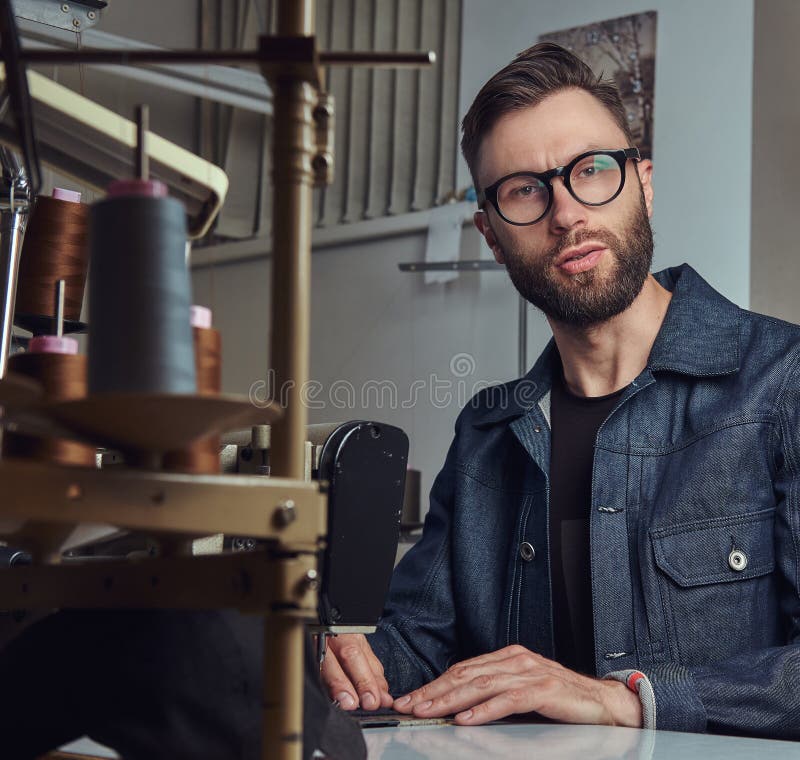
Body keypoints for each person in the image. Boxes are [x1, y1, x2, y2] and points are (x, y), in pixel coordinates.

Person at [320, 42, 800, 738]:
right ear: (490, 234)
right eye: (524, 189)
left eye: (591, 170)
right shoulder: (487, 433)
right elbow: (415, 648)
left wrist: (630, 699)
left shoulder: (783, 382)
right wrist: (341, 655)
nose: (567, 212)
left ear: (644, 181)